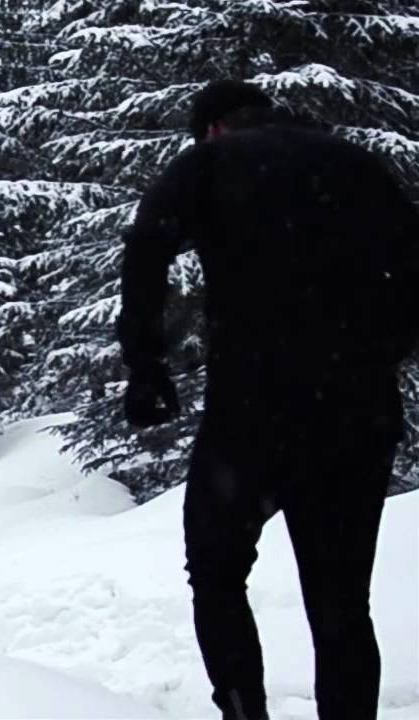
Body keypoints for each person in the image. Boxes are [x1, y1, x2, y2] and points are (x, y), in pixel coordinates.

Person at [117, 79, 419, 720]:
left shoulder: (209, 163)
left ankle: (244, 713)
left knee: (217, 576)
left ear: (213, 128)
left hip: (250, 415)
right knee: (341, 605)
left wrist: (147, 367)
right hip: (355, 416)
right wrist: (379, 352)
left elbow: (146, 249)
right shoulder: (359, 166)